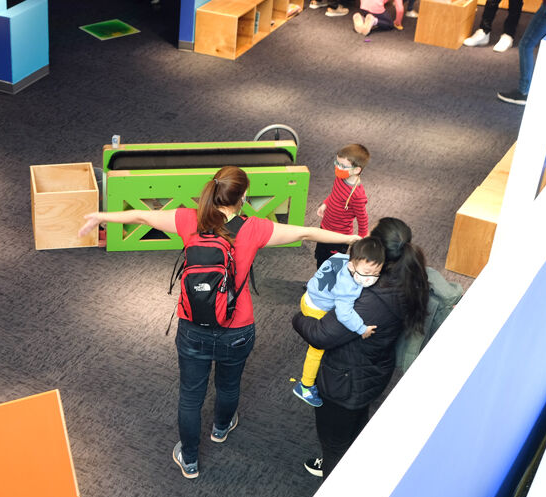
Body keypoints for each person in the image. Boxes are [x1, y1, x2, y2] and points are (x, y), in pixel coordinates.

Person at [78, 167, 359, 479]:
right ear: (241, 200)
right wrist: (353, 237)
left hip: (192, 327)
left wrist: (101, 215)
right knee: (228, 384)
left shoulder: (189, 219)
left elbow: (142, 217)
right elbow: (308, 232)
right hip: (237, 330)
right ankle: (221, 429)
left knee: (190, 396)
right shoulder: (254, 228)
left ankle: (189, 460)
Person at [288, 217, 429, 497]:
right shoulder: (408, 276)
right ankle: (333, 465)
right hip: (372, 369)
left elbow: (321, 334)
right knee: (353, 428)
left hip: (345, 379)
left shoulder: (369, 298)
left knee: (335, 440)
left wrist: (298, 318)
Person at [292, 236, 386, 407]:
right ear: (352, 265)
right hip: (316, 309)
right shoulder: (348, 287)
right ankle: (305, 386)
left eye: (376, 273)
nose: (370, 278)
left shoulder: (341, 257)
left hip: (309, 296)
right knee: (317, 349)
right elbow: (344, 314)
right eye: (365, 273)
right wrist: (362, 328)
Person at [314, 144, 371, 266]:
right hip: (325, 226)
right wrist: (325, 204)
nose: (338, 168)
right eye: (337, 163)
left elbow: (363, 218)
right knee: (320, 258)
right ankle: (317, 282)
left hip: (339, 237)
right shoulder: (340, 178)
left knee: (330, 264)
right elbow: (334, 195)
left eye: (343, 166)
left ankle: (326, 284)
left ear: (356, 170)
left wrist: (360, 239)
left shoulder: (357, 195)